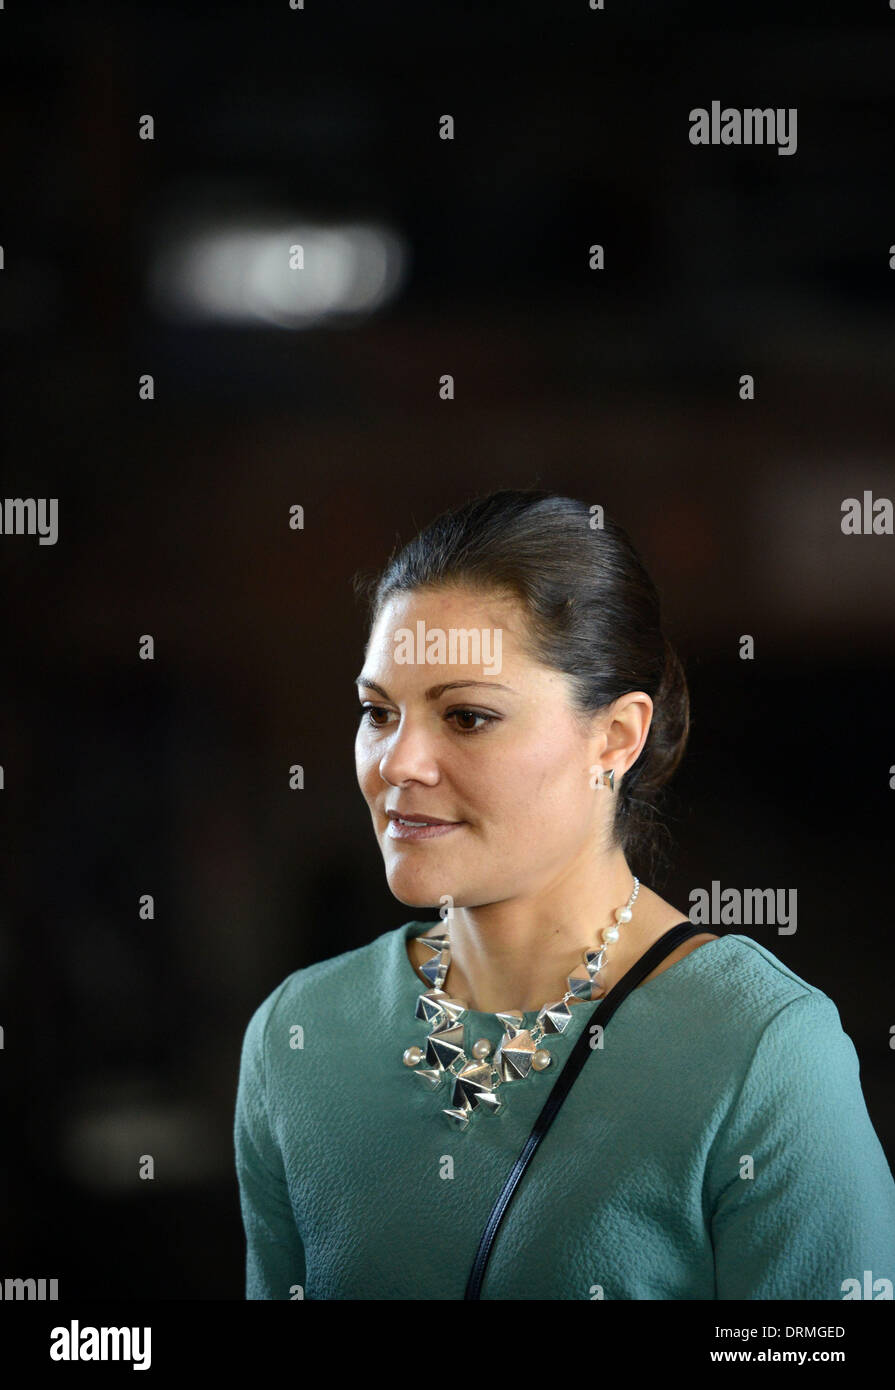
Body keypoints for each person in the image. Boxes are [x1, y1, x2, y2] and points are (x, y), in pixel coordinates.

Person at [234, 488, 895, 1299]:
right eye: (378, 712)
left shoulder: (759, 1050)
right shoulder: (298, 1036)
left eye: (468, 716)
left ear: (614, 736)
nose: (398, 765)